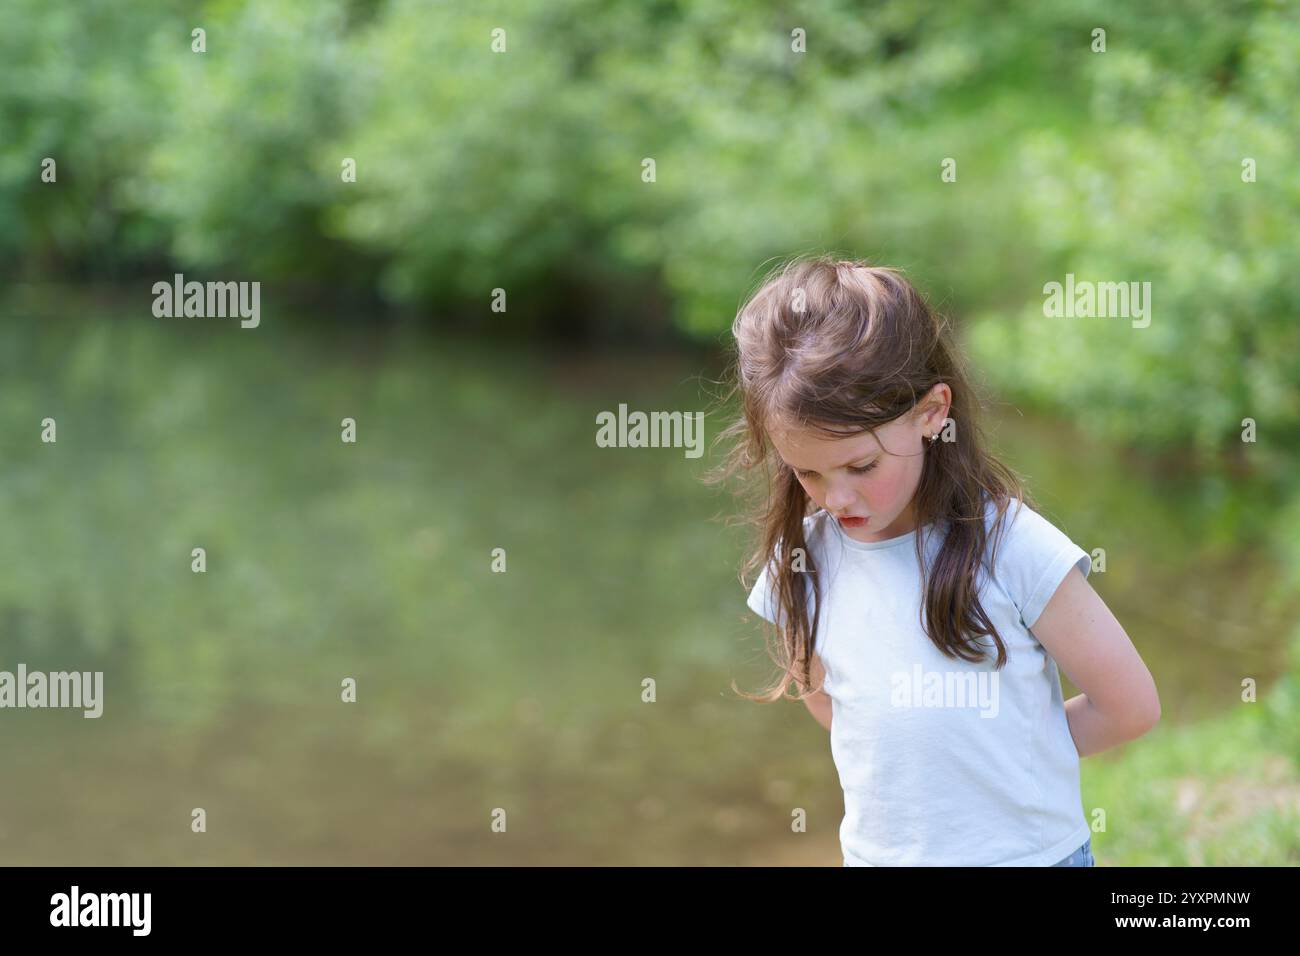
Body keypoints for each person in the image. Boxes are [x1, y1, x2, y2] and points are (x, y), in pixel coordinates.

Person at [711, 255, 1160, 866]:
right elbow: (832, 703)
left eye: (861, 467)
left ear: (932, 413)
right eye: (807, 471)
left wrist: (1000, 762)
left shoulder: (1012, 547)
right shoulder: (804, 560)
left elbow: (1129, 706)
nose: (836, 497)